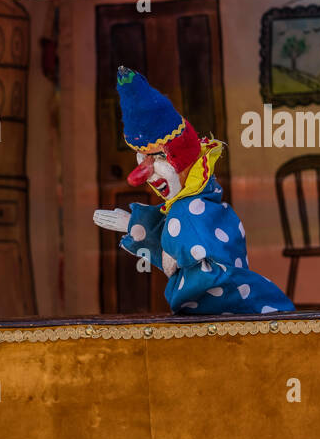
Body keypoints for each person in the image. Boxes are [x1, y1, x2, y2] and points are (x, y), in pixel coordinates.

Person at [93, 67, 293, 316]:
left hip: (233, 307)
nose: (149, 174)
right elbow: (174, 228)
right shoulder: (186, 208)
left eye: (157, 158)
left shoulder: (194, 208)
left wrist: (172, 248)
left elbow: (188, 228)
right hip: (203, 313)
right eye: (142, 158)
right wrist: (132, 223)